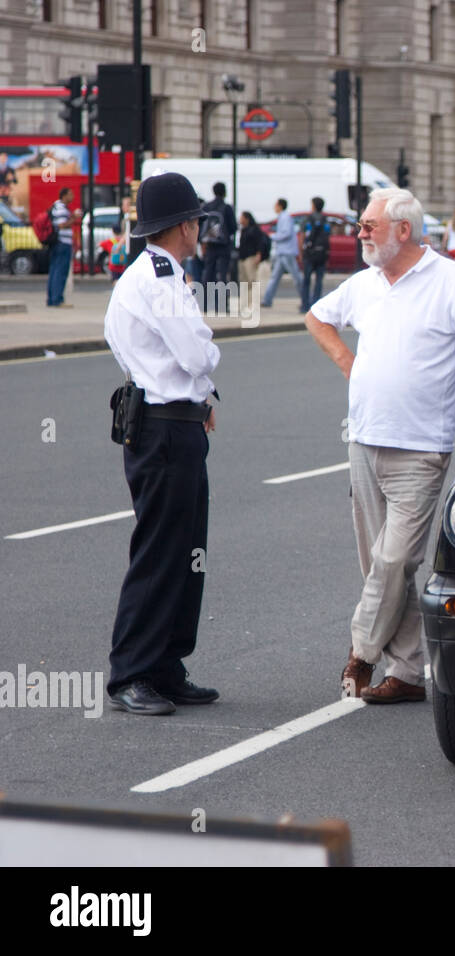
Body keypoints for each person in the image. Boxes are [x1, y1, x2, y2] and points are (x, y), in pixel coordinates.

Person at [303, 187, 455, 704]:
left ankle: (361, 651)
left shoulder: (449, 281)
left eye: (369, 226)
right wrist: (347, 362)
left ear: (402, 230)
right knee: (382, 565)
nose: (360, 234)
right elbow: (317, 317)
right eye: (360, 225)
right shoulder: (364, 284)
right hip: (363, 440)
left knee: (392, 561)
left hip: (420, 449)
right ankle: (407, 673)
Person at [103, 172, 221, 715]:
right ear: (182, 225)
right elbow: (198, 354)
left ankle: (166, 664)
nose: (200, 228)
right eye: (196, 219)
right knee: (160, 553)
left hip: (173, 419)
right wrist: (198, 377)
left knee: (186, 551)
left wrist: (199, 397)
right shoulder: (159, 279)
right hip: (163, 427)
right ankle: (132, 673)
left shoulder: (151, 273)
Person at [260, 198, 305, 311]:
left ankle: (305, 300)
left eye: (275, 205)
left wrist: (272, 237)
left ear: (280, 206)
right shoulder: (283, 217)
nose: (274, 207)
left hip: (287, 252)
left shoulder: (285, 217)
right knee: (275, 277)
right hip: (282, 252)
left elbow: (286, 233)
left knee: (296, 277)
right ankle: (267, 300)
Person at [199, 181, 237, 300]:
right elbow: (233, 228)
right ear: (224, 192)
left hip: (209, 244)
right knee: (223, 275)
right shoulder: (227, 208)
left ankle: (205, 302)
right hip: (223, 246)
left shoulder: (206, 207)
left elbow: (200, 225)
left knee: (208, 273)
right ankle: (221, 303)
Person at [46, 187, 78, 308]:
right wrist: (74, 218)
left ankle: (52, 299)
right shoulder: (60, 208)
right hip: (62, 243)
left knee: (55, 270)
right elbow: (61, 225)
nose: (72, 197)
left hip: (58, 243)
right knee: (60, 271)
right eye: (70, 194)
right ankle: (57, 299)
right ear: (64, 196)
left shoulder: (59, 207)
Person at [299, 196, 330, 310]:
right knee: (319, 281)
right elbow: (327, 237)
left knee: (306, 280)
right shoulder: (325, 220)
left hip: (309, 253)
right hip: (321, 253)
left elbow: (302, 236)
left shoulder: (307, 219)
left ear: (313, 206)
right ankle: (316, 304)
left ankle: (304, 305)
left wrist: (301, 253)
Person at [236, 211, 266, 287]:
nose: (240, 220)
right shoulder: (243, 230)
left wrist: (258, 254)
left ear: (247, 219)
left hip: (251, 257)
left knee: (252, 279)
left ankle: (254, 298)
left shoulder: (255, 229)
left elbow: (260, 242)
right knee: (243, 281)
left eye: (241, 218)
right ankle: (245, 298)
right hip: (242, 257)